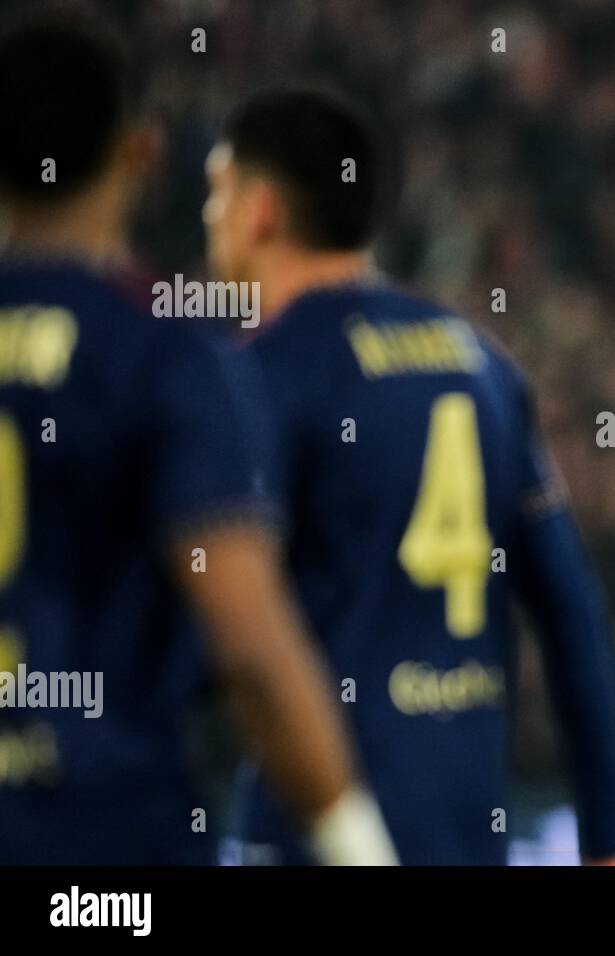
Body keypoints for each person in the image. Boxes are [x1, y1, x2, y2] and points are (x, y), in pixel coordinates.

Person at [203, 87, 615, 865]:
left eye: (218, 191)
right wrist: (611, 843)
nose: (210, 216)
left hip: (319, 833)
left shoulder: (256, 377)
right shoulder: (480, 364)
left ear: (259, 209)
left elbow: (219, 628)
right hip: (467, 827)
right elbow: (573, 618)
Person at [0, 14, 396, 865]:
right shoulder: (164, 358)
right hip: (105, 845)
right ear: (139, 153)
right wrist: (356, 845)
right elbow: (249, 644)